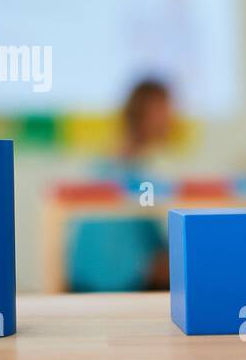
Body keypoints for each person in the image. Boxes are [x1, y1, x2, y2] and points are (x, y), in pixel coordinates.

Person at [67, 78, 174, 292]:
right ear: (147, 114)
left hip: (102, 282)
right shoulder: (119, 173)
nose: (171, 117)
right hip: (107, 288)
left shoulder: (127, 168)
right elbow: (114, 260)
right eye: (165, 109)